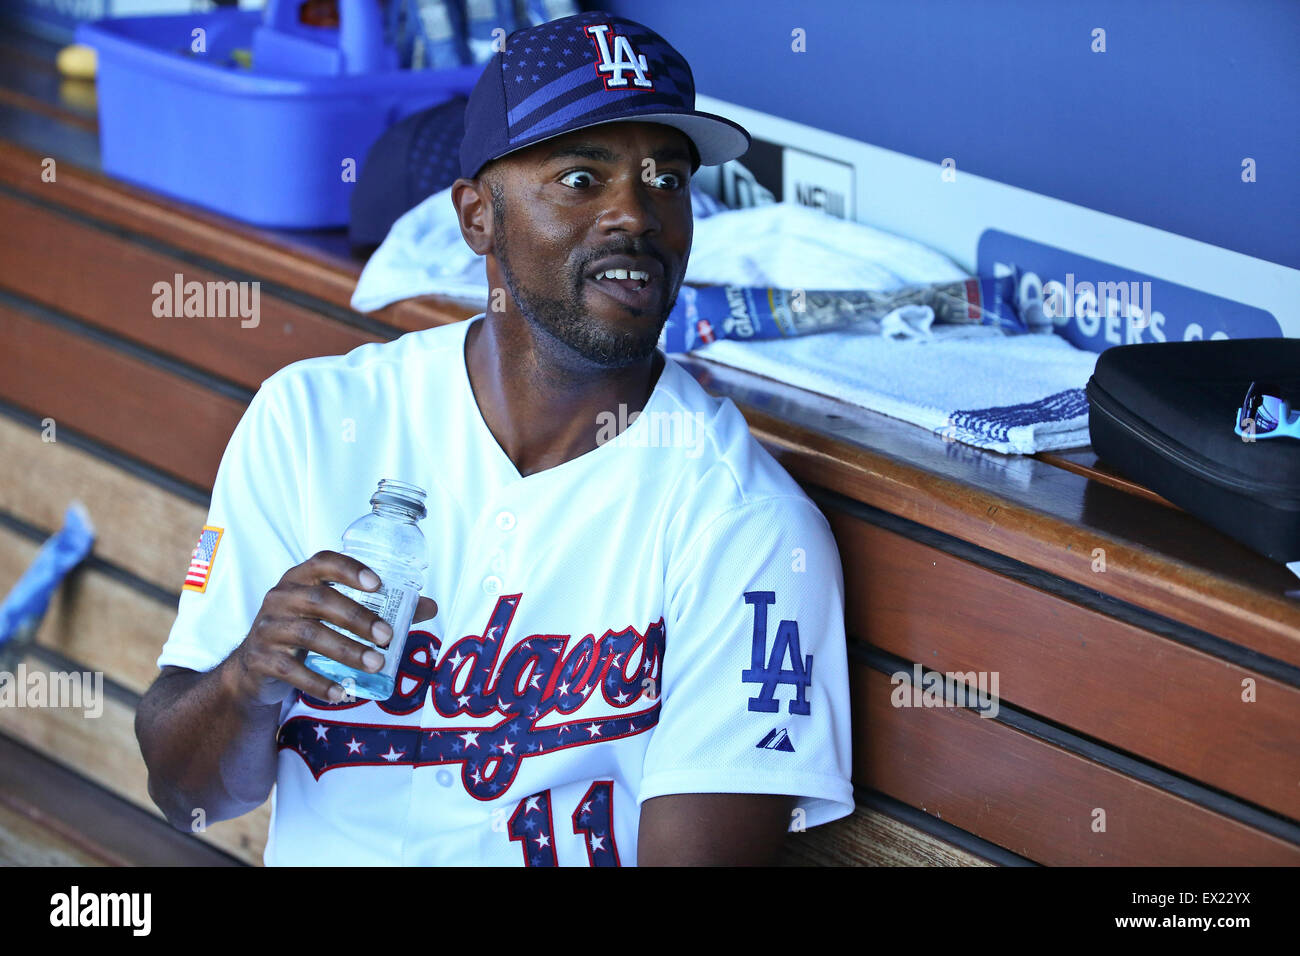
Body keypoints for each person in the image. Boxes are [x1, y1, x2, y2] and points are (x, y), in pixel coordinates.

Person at [137, 10, 853, 866]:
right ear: (478, 218)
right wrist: (247, 679)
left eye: (665, 180)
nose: (635, 214)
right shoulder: (312, 422)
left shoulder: (746, 527)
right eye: (583, 179)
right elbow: (189, 794)